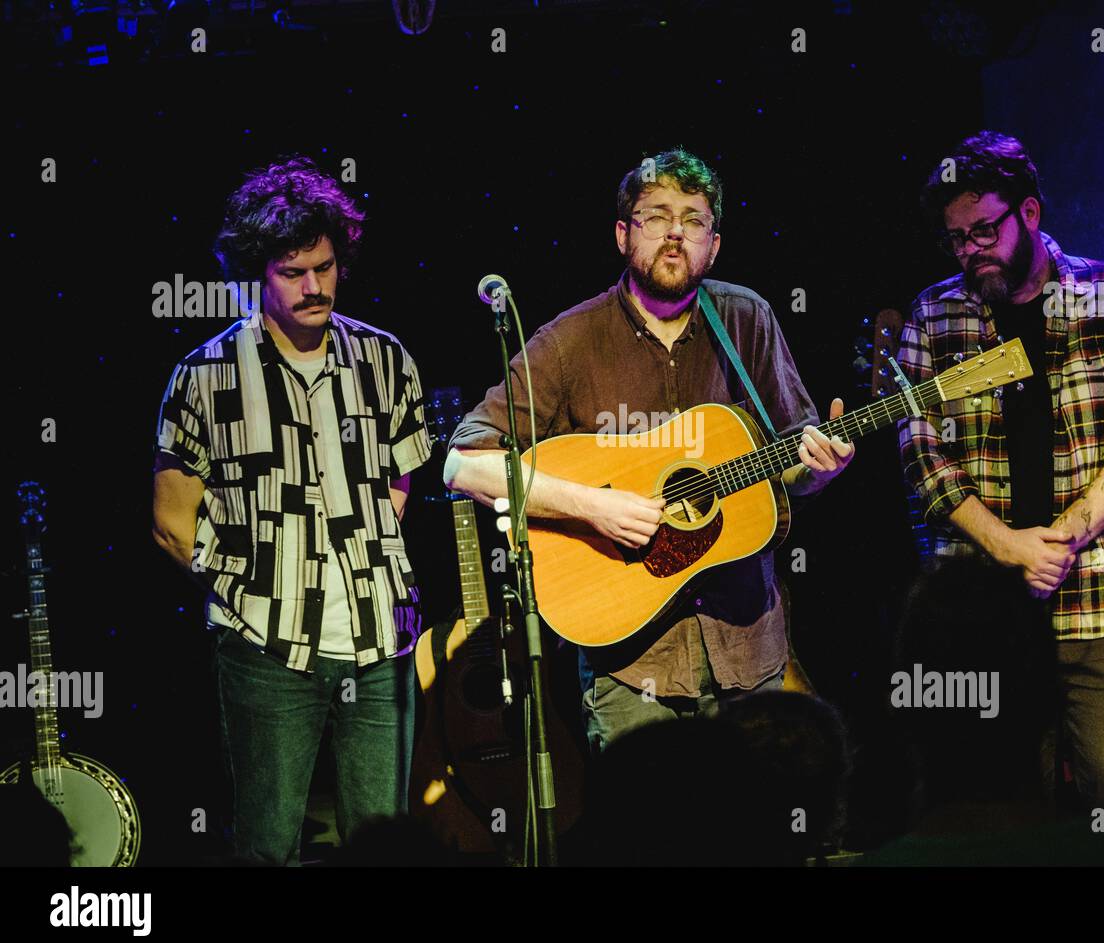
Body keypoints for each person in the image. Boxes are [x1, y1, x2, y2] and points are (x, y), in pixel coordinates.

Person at [445, 148, 854, 753]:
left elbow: (791, 467)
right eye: (656, 216)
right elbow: (462, 463)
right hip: (630, 665)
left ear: (713, 245)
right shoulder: (570, 342)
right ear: (622, 234)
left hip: (746, 644)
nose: (674, 234)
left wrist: (822, 469)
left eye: (693, 220)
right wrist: (592, 506)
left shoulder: (748, 319)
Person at [151, 156, 433, 864]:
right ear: (256, 274)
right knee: (268, 847)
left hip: (378, 643)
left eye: (326, 267)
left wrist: (372, 556)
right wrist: (246, 595)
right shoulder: (206, 375)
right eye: (292, 272)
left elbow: (402, 479)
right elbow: (170, 520)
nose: (315, 287)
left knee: (383, 847)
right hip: (266, 648)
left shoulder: (385, 359)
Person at [897, 131, 1104, 830]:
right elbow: (923, 459)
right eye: (956, 239)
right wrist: (1008, 548)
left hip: (1101, 590)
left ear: (1028, 213)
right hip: (986, 606)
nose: (970, 249)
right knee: (1000, 806)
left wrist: (1061, 537)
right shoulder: (934, 316)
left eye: (983, 229)